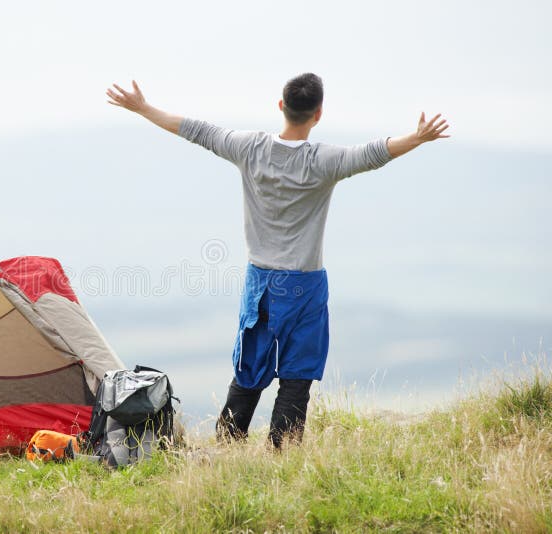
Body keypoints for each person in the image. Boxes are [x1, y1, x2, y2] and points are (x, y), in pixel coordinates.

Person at [106, 74, 449, 449]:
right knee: (297, 376)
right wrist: (417, 138)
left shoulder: (248, 148)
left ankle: (227, 448)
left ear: (281, 106)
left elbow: (196, 131)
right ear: (318, 114)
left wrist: (142, 108)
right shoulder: (324, 161)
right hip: (305, 284)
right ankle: (282, 454)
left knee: (249, 371)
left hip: (260, 283)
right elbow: (372, 153)